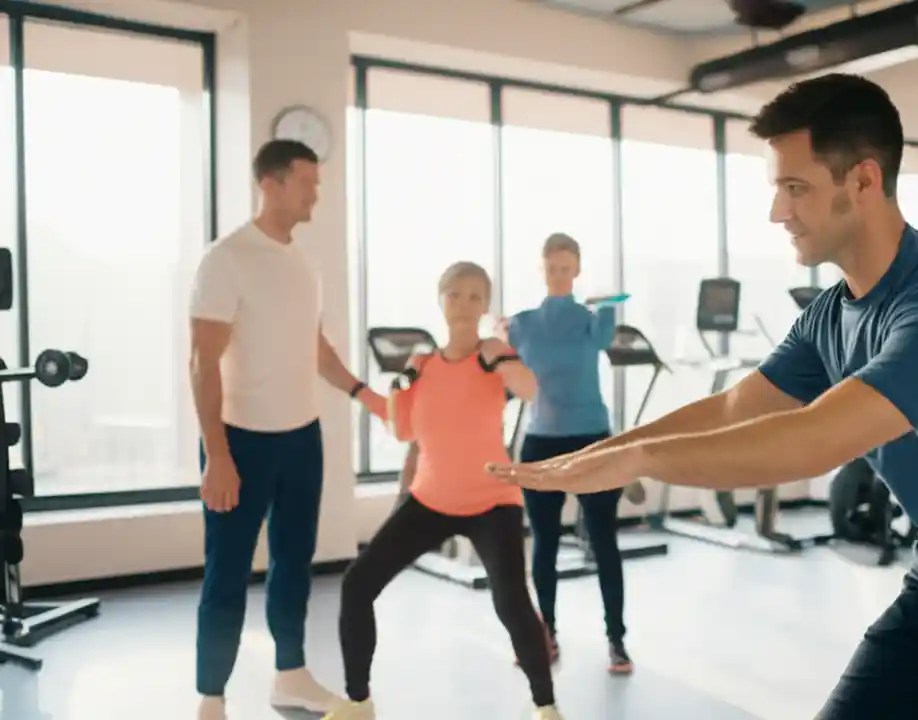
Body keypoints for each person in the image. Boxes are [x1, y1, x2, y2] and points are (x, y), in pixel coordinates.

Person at [488, 73, 918, 719]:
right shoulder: (831, 316)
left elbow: (815, 439)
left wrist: (634, 464)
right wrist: (600, 452)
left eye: (794, 187)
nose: (776, 210)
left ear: (863, 179)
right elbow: (733, 408)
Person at [324, 262, 562, 720]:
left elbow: (530, 389)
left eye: (475, 296)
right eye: (455, 294)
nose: (464, 303)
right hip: (431, 500)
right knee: (357, 585)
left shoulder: (491, 355)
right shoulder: (421, 364)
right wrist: (359, 388)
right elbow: (401, 427)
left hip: (493, 500)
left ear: (485, 305)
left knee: (511, 601)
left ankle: (546, 708)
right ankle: (358, 702)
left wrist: (503, 356)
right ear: (441, 299)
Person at [189, 140, 374, 720]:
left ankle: (289, 676)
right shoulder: (227, 258)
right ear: (270, 183)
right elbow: (202, 360)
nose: (315, 192)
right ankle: (211, 697)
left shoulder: (303, 261)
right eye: (306, 182)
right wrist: (217, 455)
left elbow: (312, 346)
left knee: (295, 561)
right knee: (228, 570)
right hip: (241, 441)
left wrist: (363, 393)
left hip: (301, 438)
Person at [499, 232, 632, 675]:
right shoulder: (520, 324)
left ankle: (616, 640)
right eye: (551, 267)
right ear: (542, 270)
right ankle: (546, 633)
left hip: (592, 439)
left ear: (577, 271)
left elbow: (608, 328)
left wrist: (611, 299)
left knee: (604, 542)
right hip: (542, 442)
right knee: (544, 544)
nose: (558, 275)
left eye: (566, 267)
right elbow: (501, 370)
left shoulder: (593, 320)